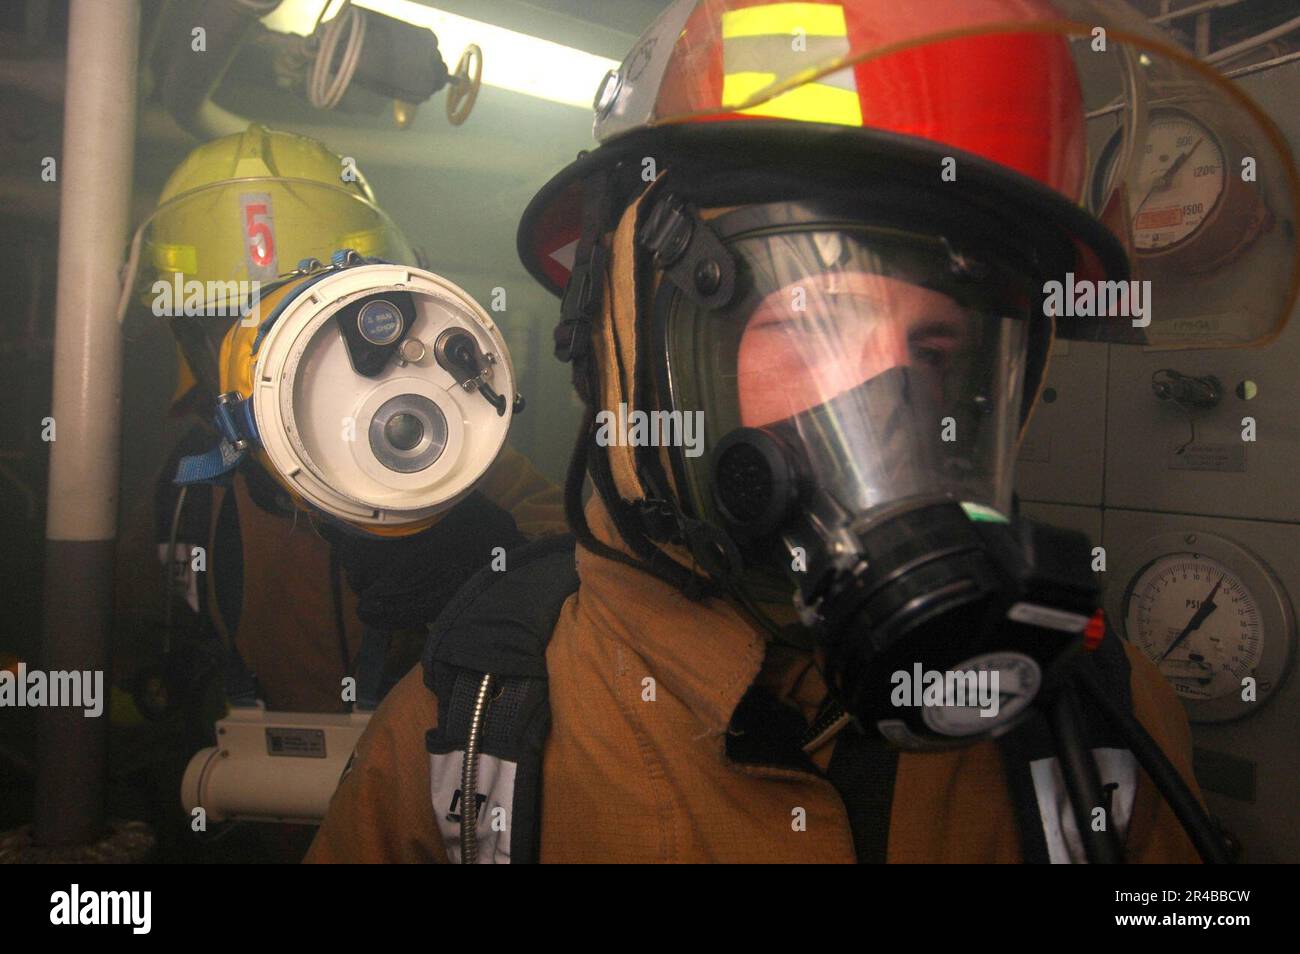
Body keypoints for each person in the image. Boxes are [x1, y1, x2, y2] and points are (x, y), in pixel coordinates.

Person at [306, 0, 1261, 863]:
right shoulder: (475, 726)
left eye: (937, 350)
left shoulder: (1100, 717)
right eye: (816, 326)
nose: (888, 417)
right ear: (631, 342)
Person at [113, 124, 564, 722]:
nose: (263, 359)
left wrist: (498, 578)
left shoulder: (460, 460)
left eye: (298, 315)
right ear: (190, 344)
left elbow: (601, 625)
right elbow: (122, 650)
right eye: (233, 326)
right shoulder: (186, 492)